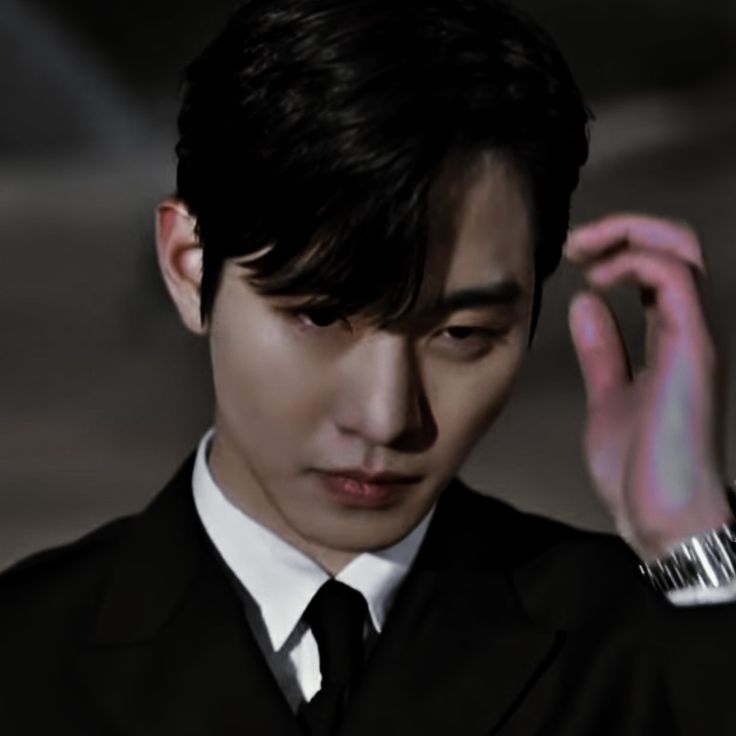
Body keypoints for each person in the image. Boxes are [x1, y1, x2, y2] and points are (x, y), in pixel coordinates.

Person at [1, 0, 734, 733]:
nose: (387, 417)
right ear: (190, 268)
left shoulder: (636, 637)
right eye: (320, 318)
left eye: (462, 332)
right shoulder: (22, 654)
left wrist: (692, 538)